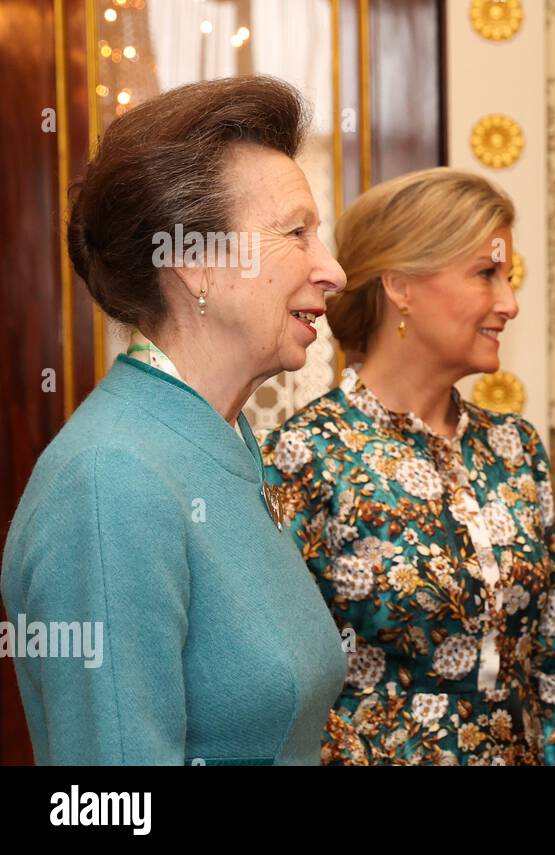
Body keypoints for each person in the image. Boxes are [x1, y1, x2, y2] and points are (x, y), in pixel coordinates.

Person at [1, 76, 348, 764]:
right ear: (193, 263)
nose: (332, 269)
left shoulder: (225, 444)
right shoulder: (111, 482)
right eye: (296, 233)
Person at [263, 168, 555, 765]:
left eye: (509, 278)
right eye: (486, 274)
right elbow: (285, 685)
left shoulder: (517, 448)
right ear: (401, 285)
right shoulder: (305, 455)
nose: (510, 303)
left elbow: (552, 661)